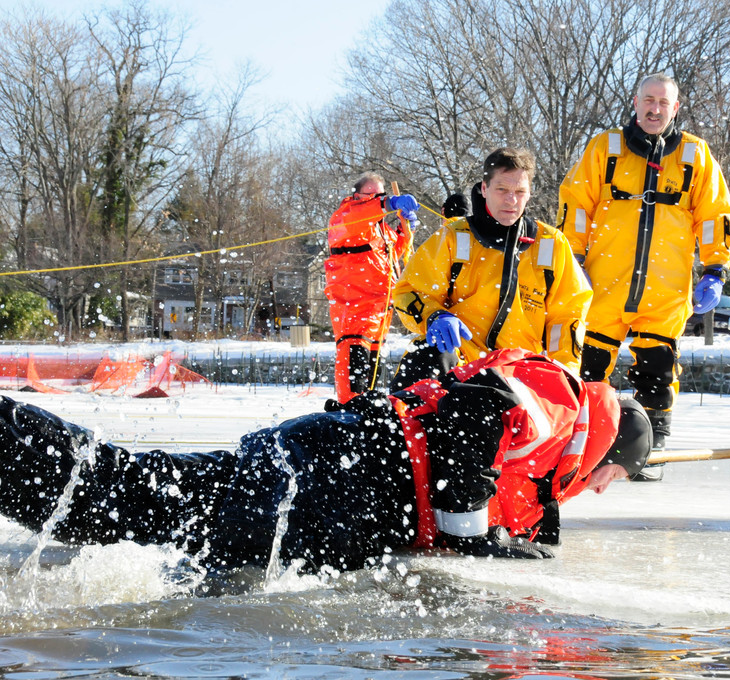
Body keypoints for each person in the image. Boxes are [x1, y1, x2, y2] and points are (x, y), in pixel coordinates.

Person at [0, 349, 653, 589]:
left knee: (132, 509)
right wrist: (470, 535)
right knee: (126, 498)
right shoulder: (571, 407)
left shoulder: (555, 439)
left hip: (341, 480)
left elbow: (430, 378)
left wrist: (489, 540)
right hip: (340, 477)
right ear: (613, 454)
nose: (601, 487)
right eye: (615, 476)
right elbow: (467, 416)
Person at [557, 72, 730, 471]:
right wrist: (574, 260)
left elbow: (714, 214)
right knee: (589, 368)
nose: (655, 109)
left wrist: (715, 267)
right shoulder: (606, 148)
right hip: (602, 286)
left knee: (657, 371)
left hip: (664, 289)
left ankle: (650, 448)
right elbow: (576, 204)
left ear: (676, 108)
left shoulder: (696, 155)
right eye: (648, 100)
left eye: (663, 102)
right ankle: (582, 442)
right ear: (635, 103)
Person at [391, 148, 591, 388]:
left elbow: (569, 315)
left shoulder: (551, 244)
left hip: (519, 373)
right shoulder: (453, 237)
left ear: (529, 194)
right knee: (425, 356)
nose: (511, 200)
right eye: (502, 189)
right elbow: (410, 291)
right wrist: (434, 315)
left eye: (520, 191)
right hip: (459, 365)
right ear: (484, 189)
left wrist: (564, 373)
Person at [324, 172, 420, 403]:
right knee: (354, 360)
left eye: (381, 195)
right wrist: (387, 203)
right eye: (372, 195)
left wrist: (406, 229)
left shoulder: (380, 230)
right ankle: (349, 408)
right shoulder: (346, 216)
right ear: (358, 195)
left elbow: (392, 253)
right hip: (354, 304)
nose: (377, 199)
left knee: (373, 368)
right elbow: (360, 214)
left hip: (378, 309)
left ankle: (367, 408)